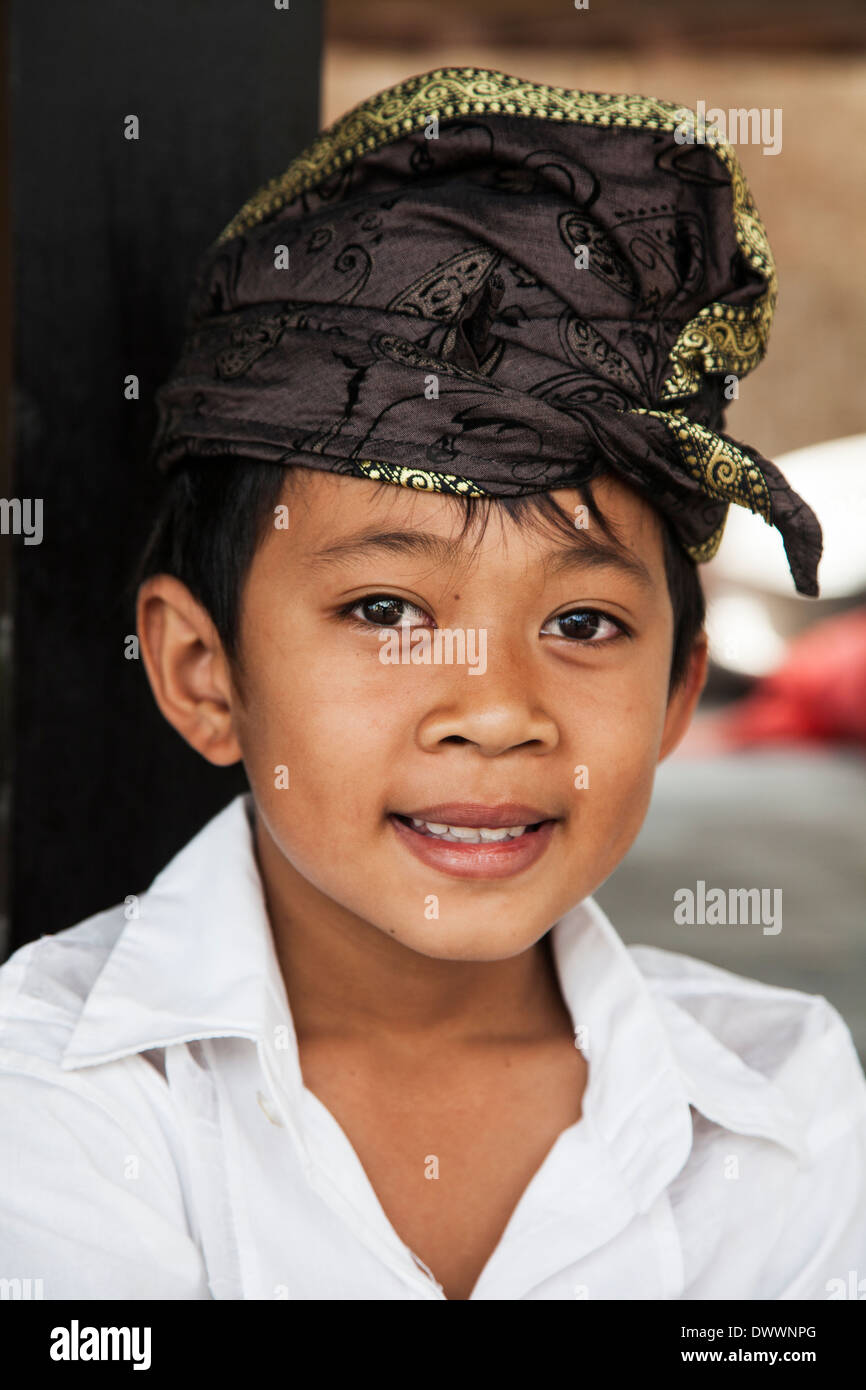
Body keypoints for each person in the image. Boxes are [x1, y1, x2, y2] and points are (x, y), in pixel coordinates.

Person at [1, 66, 863, 1302]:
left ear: (679, 691)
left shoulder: (779, 1106)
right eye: (387, 609)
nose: (497, 709)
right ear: (205, 676)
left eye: (579, 619)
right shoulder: (48, 1093)